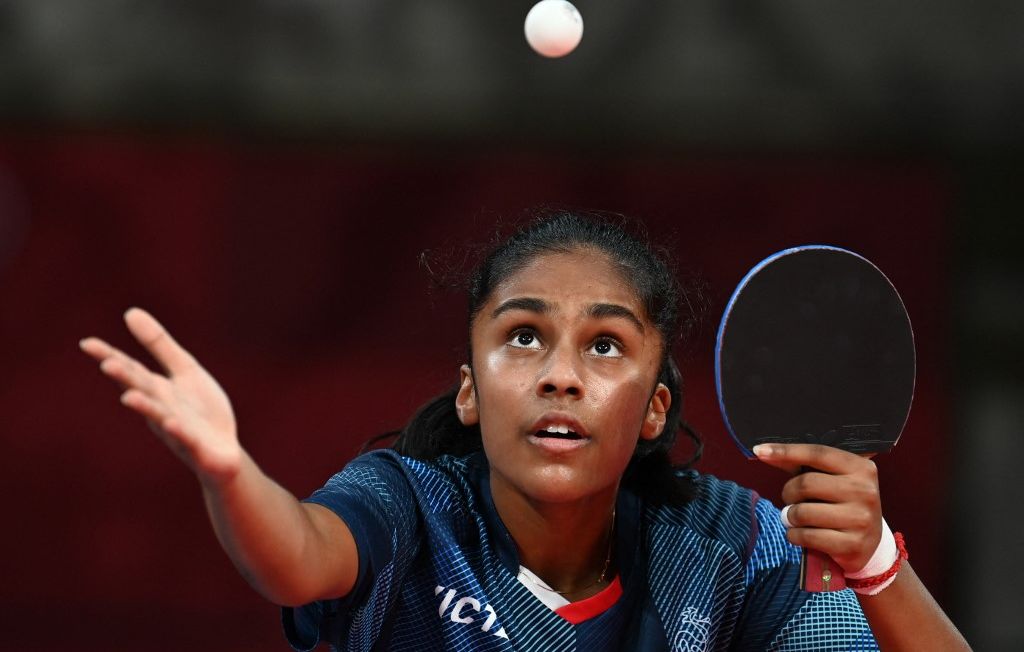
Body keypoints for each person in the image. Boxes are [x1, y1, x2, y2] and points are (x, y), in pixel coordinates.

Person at [81, 212, 968, 650]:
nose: (560, 373)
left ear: (656, 407)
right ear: (470, 392)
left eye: (607, 345)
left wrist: (878, 565)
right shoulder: (408, 508)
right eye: (523, 335)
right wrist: (230, 474)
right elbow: (300, 556)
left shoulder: (726, 547)